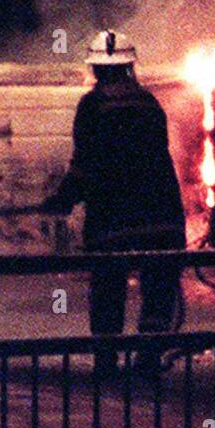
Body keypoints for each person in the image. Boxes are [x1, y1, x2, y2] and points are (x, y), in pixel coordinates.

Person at [41, 30, 186, 378]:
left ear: (95, 68)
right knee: (159, 289)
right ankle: (148, 358)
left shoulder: (92, 106)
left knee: (108, 287)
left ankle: (107, 361)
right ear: (130, 67)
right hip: (160, 214)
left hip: (113, 219)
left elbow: (85, 165)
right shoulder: (149, 103)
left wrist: (61, 200)